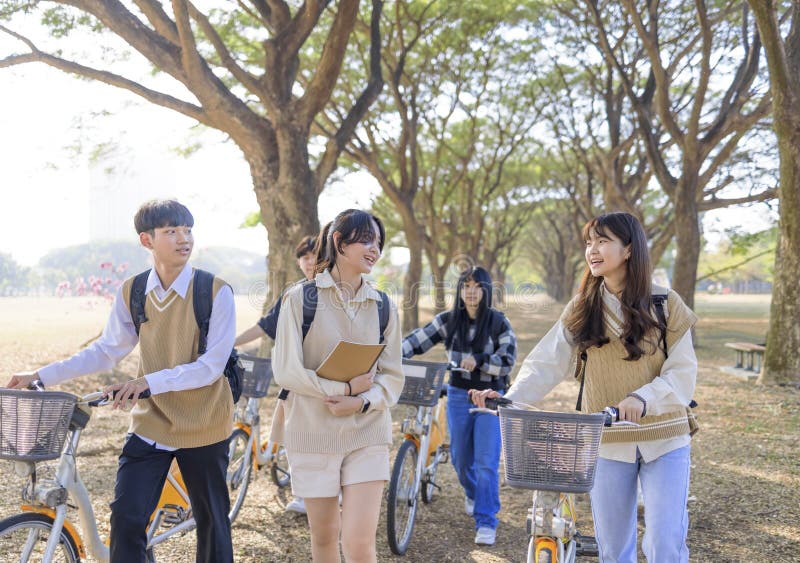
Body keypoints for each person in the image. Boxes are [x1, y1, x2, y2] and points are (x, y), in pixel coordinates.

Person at [6, 200, 235, 563]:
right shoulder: (134, 290)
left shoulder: (215, 291)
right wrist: (41, 375)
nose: (183, 239)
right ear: (147, 240)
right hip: (151, 423)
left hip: (205, 423)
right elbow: (106, 351)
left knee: (212, 523)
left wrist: (146, 383)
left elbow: (211, 366)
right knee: (127, 519)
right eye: (171, 231)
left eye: (187, 230)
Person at [473, 212, 697, 563]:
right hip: (607, 440)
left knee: (664, 544)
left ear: (628, 249)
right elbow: (548, 361)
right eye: (589, 242)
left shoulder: (665, 304)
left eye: (603, 241)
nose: (592, 250)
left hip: (665, 438)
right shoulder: (582, 307)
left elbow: (682, 373)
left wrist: (643, 397)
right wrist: (510, 397)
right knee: (613, 548)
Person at [272, 209, 404, 563]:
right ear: (338, 241)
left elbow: (393, 376)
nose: (373, 248)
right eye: (364, 239)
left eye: (378, 241)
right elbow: (286, 370)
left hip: (367, 432)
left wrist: (362, 402)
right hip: (312, 432)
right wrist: (344, 390)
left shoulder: (384, 306)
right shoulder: (300, 299)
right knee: (325, 539)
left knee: (360, 543)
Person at [402, 266, 517, 546]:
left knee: (486, 461)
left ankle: (486, 520)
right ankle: (474, 493)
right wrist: (388, 355)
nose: (471, 291)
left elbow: (508, 360)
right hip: (458, 395)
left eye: (477, 286)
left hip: (491, 397)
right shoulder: (449, 321)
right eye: (466, 285)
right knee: (460, 459)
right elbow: (415, 342)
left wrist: (479, 360)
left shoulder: (498, 323)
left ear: (486, 290)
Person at [234, 234, 318, 516]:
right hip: (294, 378)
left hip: (322, 378)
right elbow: (265, 326)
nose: (309, 261)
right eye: (304, 256)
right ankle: (304, 494)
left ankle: (322, 494)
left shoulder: (336, 292)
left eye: (314, 254)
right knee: (293, 436)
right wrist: (229, 344)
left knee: (317, 439)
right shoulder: (293, 292)